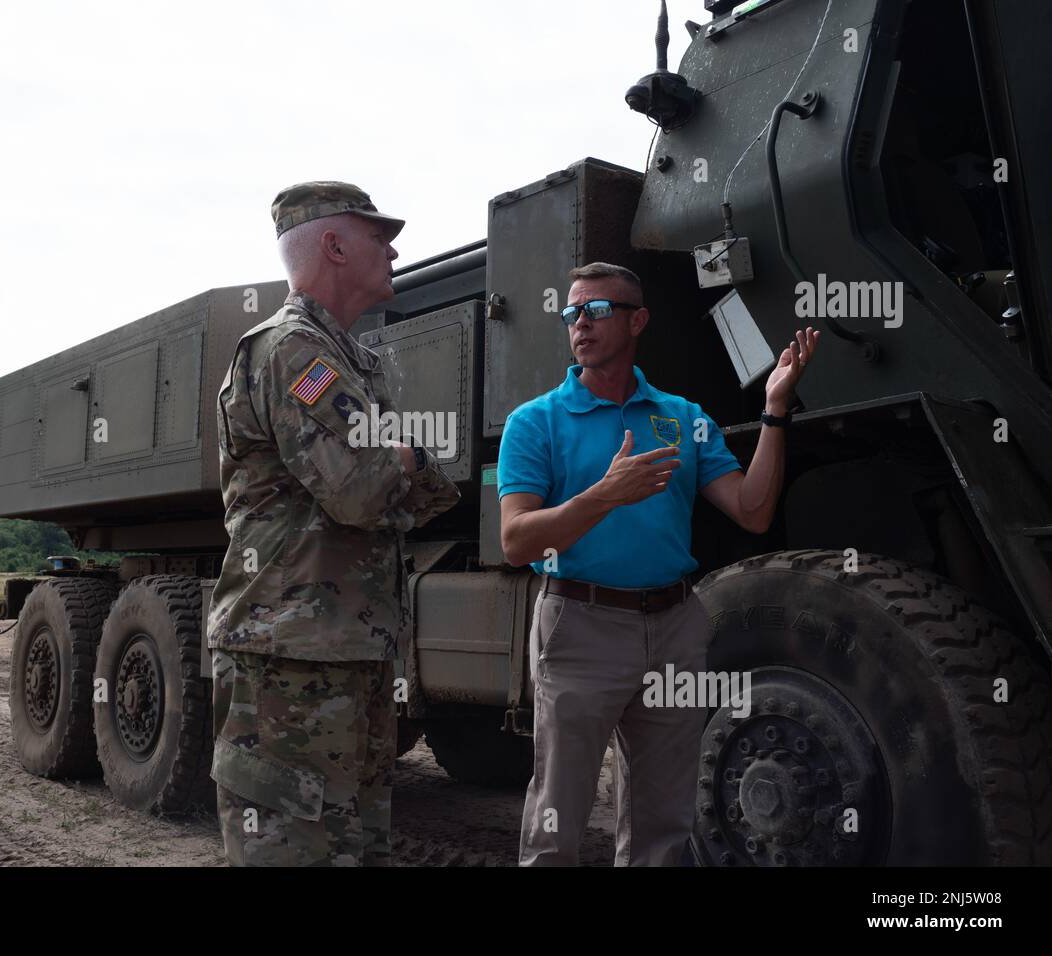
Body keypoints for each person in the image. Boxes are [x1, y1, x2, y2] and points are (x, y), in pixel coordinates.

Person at [499, 261, 819, 866]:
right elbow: (517, 542)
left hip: (674, 625)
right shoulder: (535, 421)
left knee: (665, 823)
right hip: (581, 623)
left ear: (638, 320)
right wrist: (604, 495)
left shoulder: (683, 418)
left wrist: (776, 410)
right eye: (572, 313)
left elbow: (752, 511)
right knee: (557, 817)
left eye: (596, 310)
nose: (580, 324)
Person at [208, 181, 460, 866]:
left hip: (343, 649)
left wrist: (400, 463)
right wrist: (402, 457)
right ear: (333, 245)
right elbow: (362, 490)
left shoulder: (350, 359)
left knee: (350, 845)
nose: (394, 248)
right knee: (294, 848)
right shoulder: (293, 349)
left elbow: (415, 497)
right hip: (290, 656)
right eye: (379, 236)